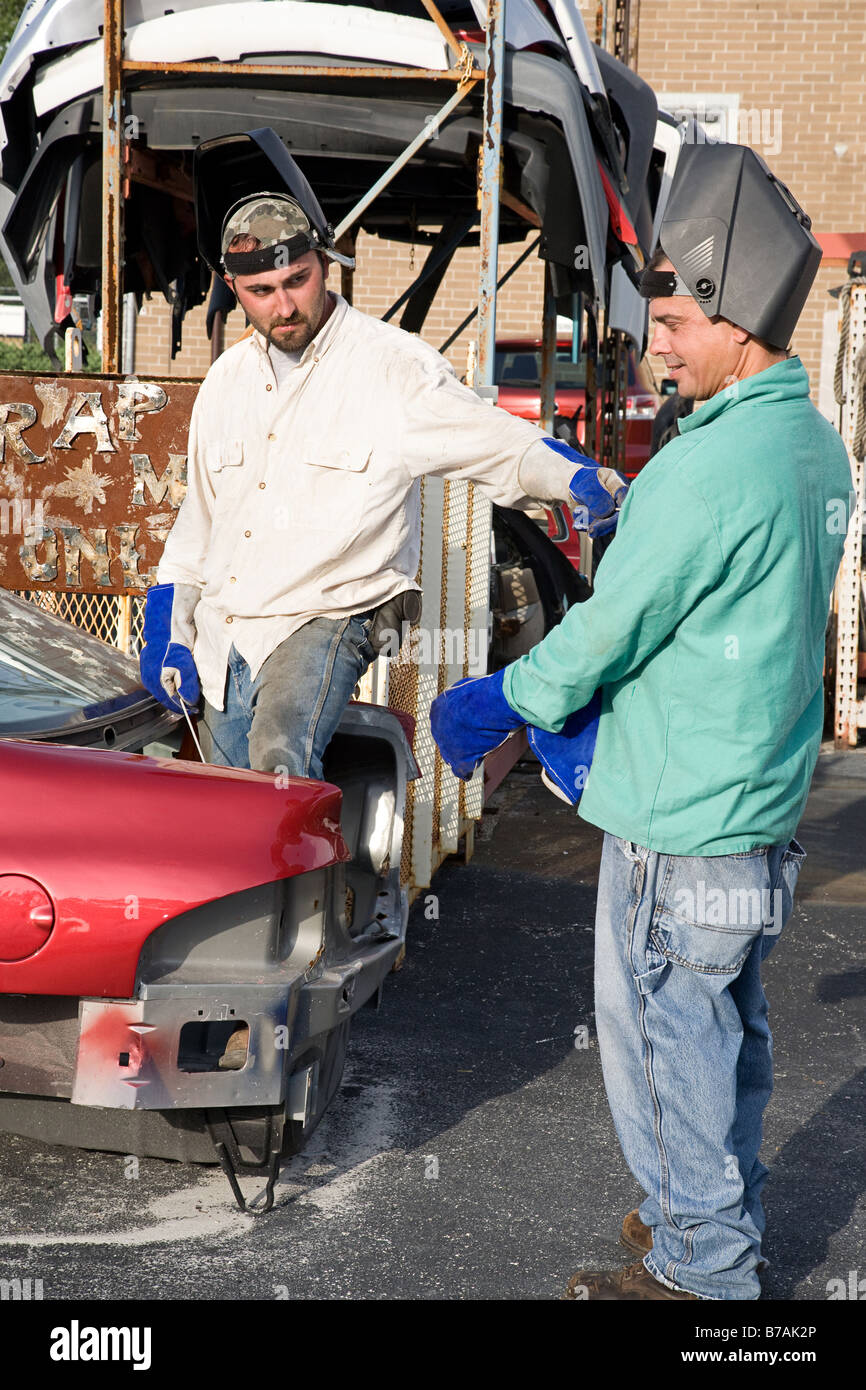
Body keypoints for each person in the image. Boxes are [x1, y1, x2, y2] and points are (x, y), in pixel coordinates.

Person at [431, 143, 851, 1300]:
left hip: (677, 823)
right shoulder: (809, 445)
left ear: (734, 318)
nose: (656, 340)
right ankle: (705, 1213)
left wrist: (505, 699)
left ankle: (696, 1273)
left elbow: (609, 628)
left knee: (666, 1051)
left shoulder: (704, 468)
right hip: (757, 810)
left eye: (671, 317)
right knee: (725, 1042)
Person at [139, 128, 627, 778]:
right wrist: (170, 628)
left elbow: (495, 444)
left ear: (324, 261)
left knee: (279, 764)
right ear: (233, 285)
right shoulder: (226, 383)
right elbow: (197, 526)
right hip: (229, 623)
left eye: (298, 280)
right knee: (224, 796)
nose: (285, 304)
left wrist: (578, 477)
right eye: (262, 292)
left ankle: (302, 875)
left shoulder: (392, 368)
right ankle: (330, 875)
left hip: (331, 609)